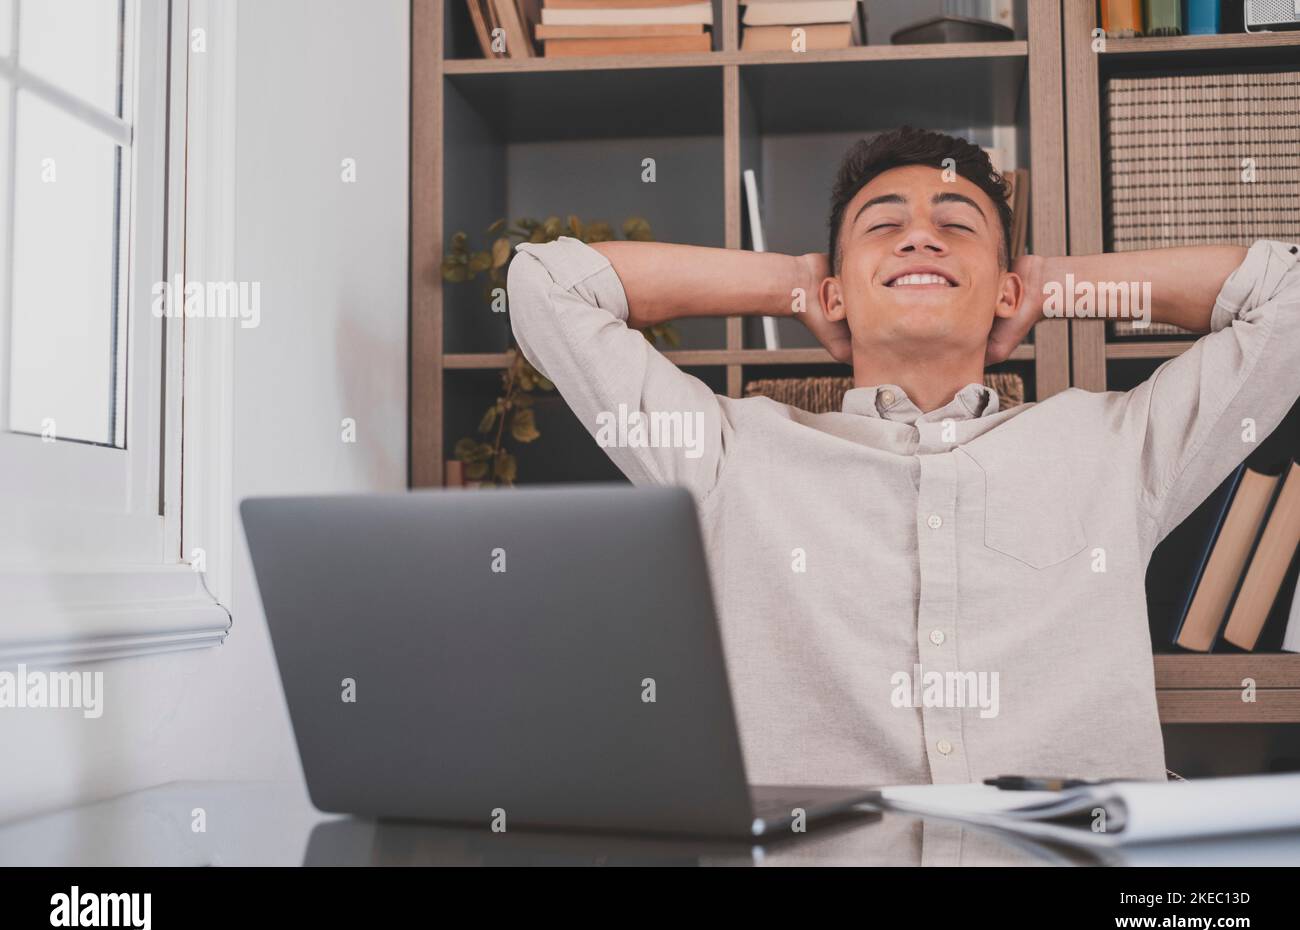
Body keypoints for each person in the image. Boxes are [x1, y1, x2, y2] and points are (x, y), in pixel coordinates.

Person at [505, 126, 1300, 787]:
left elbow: (1286, 302)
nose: (921, 234)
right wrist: (790, 285)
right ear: (835, 292)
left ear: (1005, 289)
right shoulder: (727, 456)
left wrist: (1054, 285)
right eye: (882, 225)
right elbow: (547, 287)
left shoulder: (1118, 449)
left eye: (958, 225)